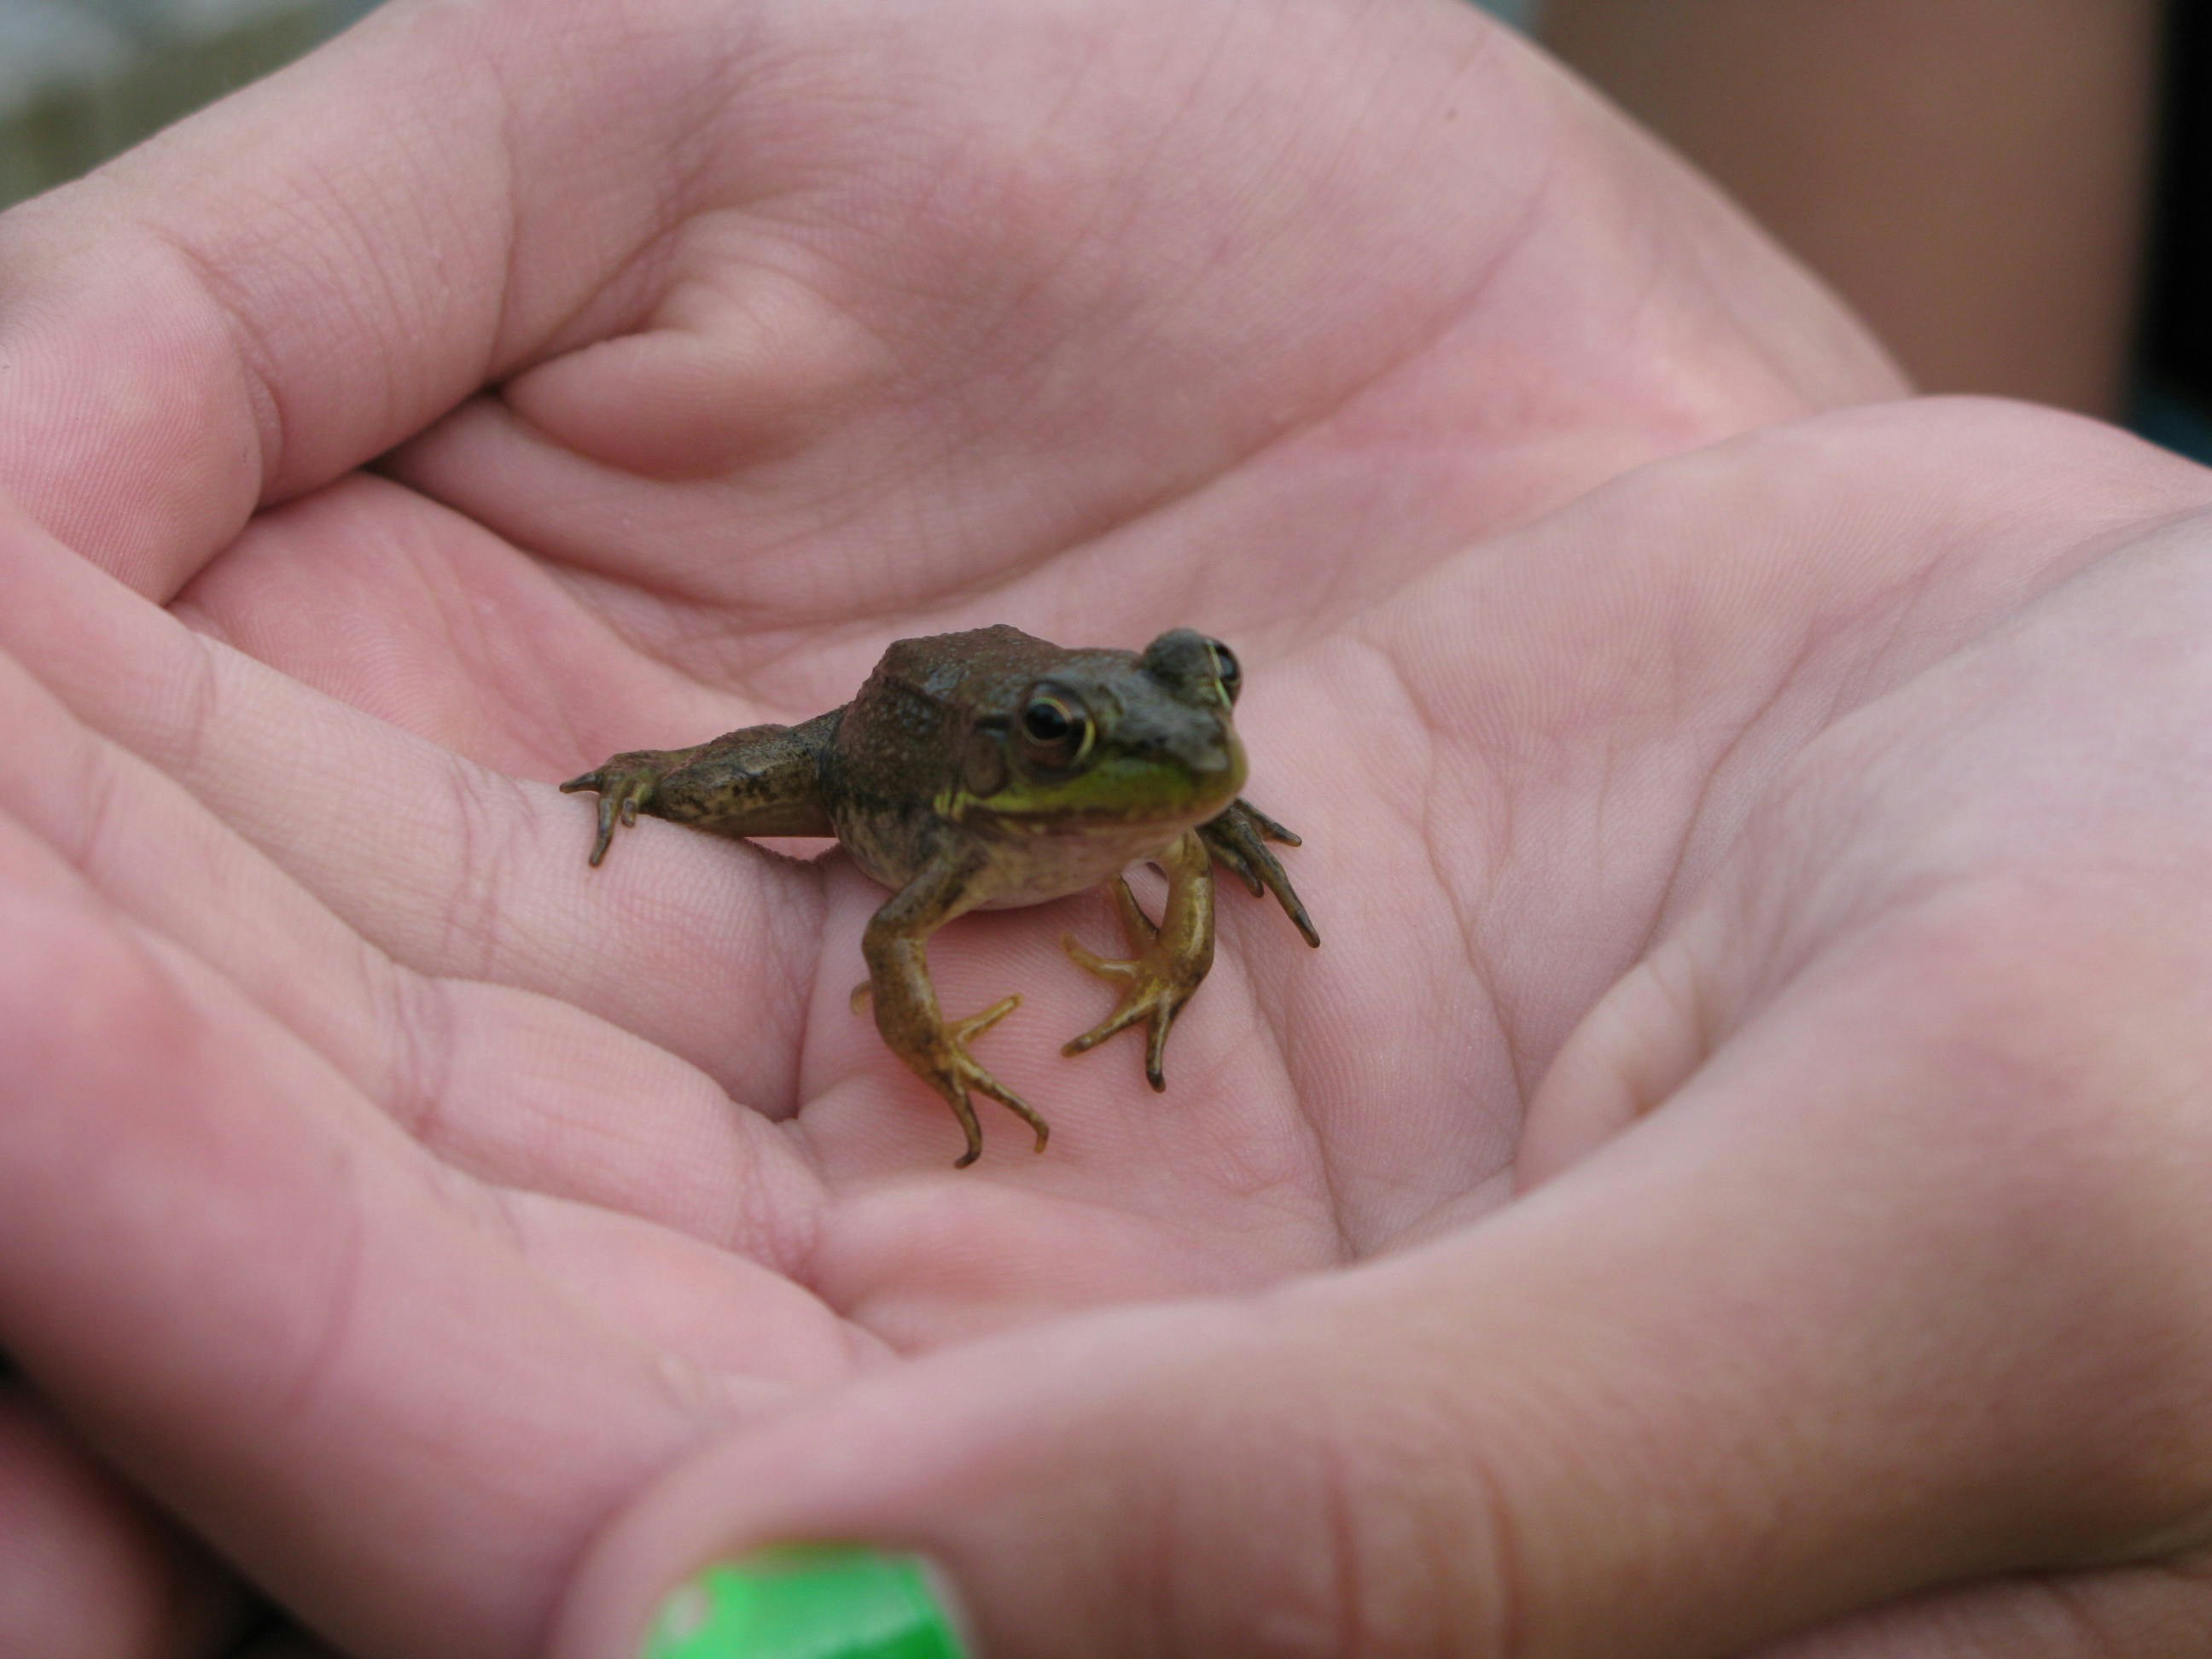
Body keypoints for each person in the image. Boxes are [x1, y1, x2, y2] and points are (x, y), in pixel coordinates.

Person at [2, 1, 2209, 1655]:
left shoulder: (1166, 790)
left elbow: (1187, 784)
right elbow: (882, 945)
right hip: (896, 731)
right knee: (705, 790)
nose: (1174, 760)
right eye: (1121, 741)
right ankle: (621, 787)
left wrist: (1197, 855)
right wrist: (937, 1049)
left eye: (1199, 707)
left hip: (1014, 711)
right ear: (1038, 754)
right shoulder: (954, 826)